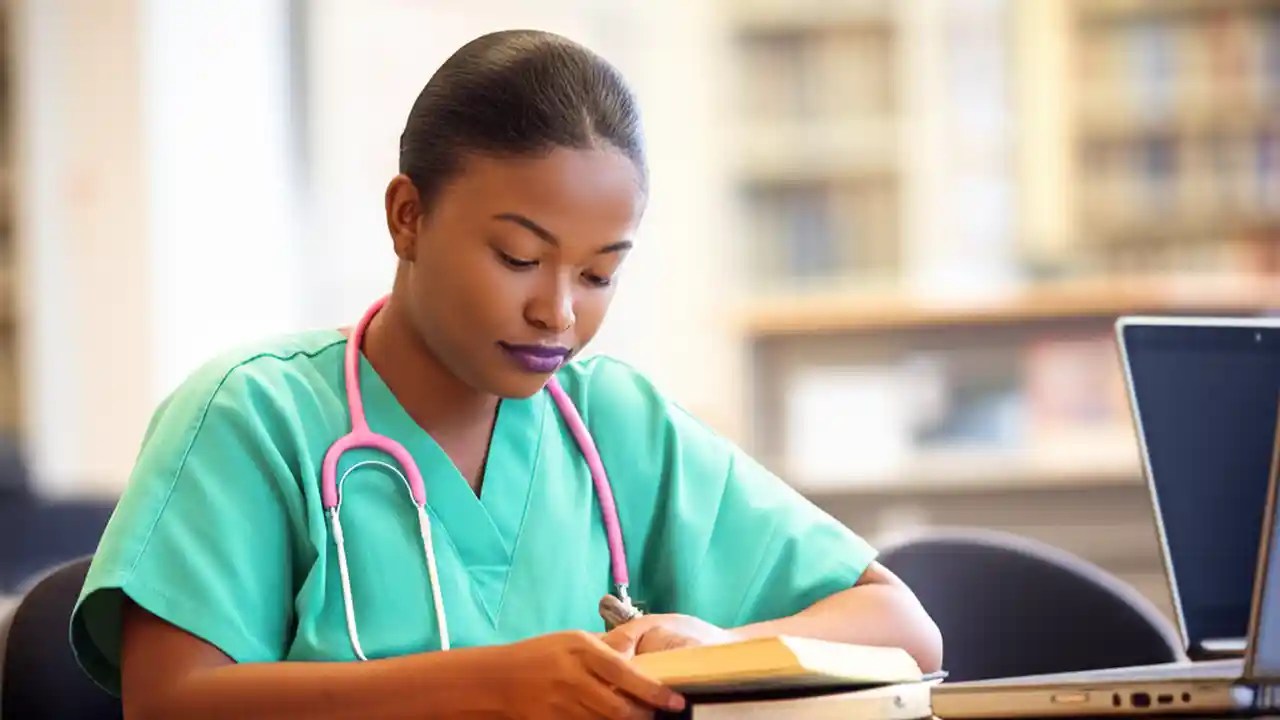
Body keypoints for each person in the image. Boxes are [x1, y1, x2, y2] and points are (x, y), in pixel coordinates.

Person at [69, 29, 942, 720]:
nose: (559, 313)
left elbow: (904, 631)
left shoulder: (614, 422)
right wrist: (493, 687)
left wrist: (720, 643)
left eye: (599, 274)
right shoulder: (254, 417)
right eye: (520, 256)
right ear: (408, 217)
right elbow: (171, 701)